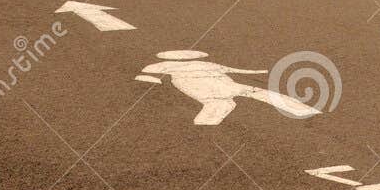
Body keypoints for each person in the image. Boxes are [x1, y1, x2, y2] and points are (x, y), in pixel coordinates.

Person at [135, 51, 321, 126]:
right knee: (222, 101)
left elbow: (234, 70)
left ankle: (301, 108)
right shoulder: (163, 66)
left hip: (216, 82)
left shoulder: (202, 63)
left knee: (241, 95)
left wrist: (260, 70)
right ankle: (207, 121)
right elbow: (149, 76)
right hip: (198, 83)